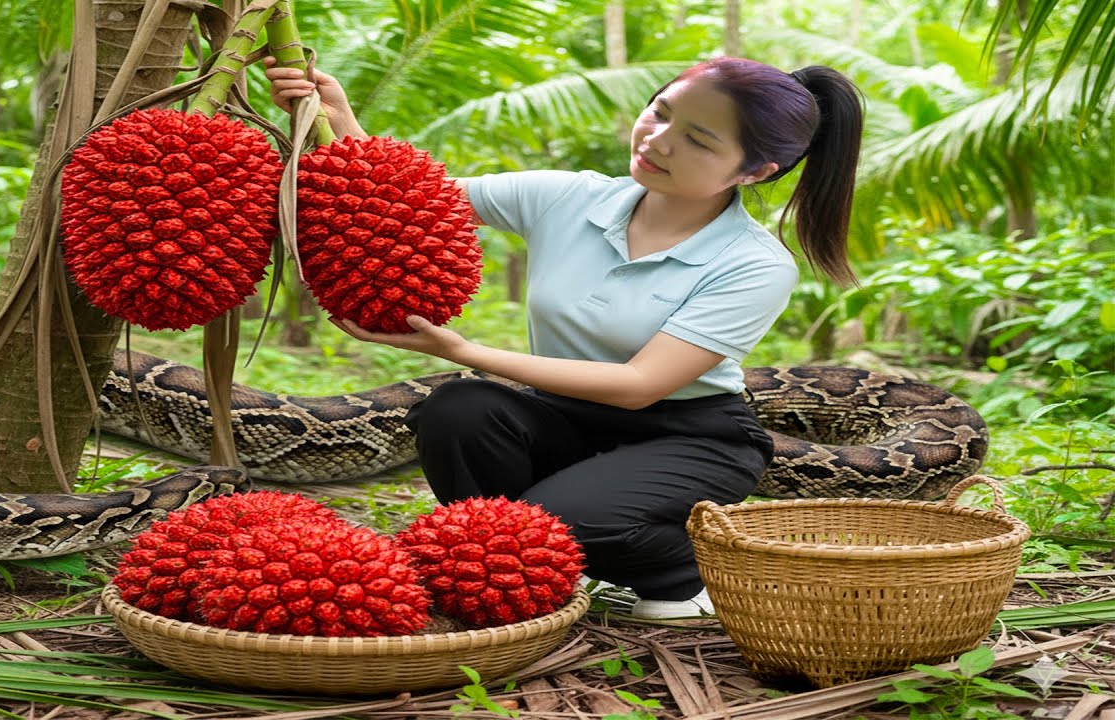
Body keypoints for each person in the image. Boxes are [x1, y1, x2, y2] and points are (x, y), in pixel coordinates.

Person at [264, 55, 864, 619]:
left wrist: (463, 352)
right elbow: (395, 203)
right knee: (457, 410)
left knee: (556, 526)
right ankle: (507, 564)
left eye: (698, 139)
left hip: (687, 436)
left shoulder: (754, 263)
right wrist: (338, 120)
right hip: (559, 417)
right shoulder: (568, 197)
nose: (657, 139)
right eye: (660, 110)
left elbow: (639, 387)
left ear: (756, 171)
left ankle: (684, 569)